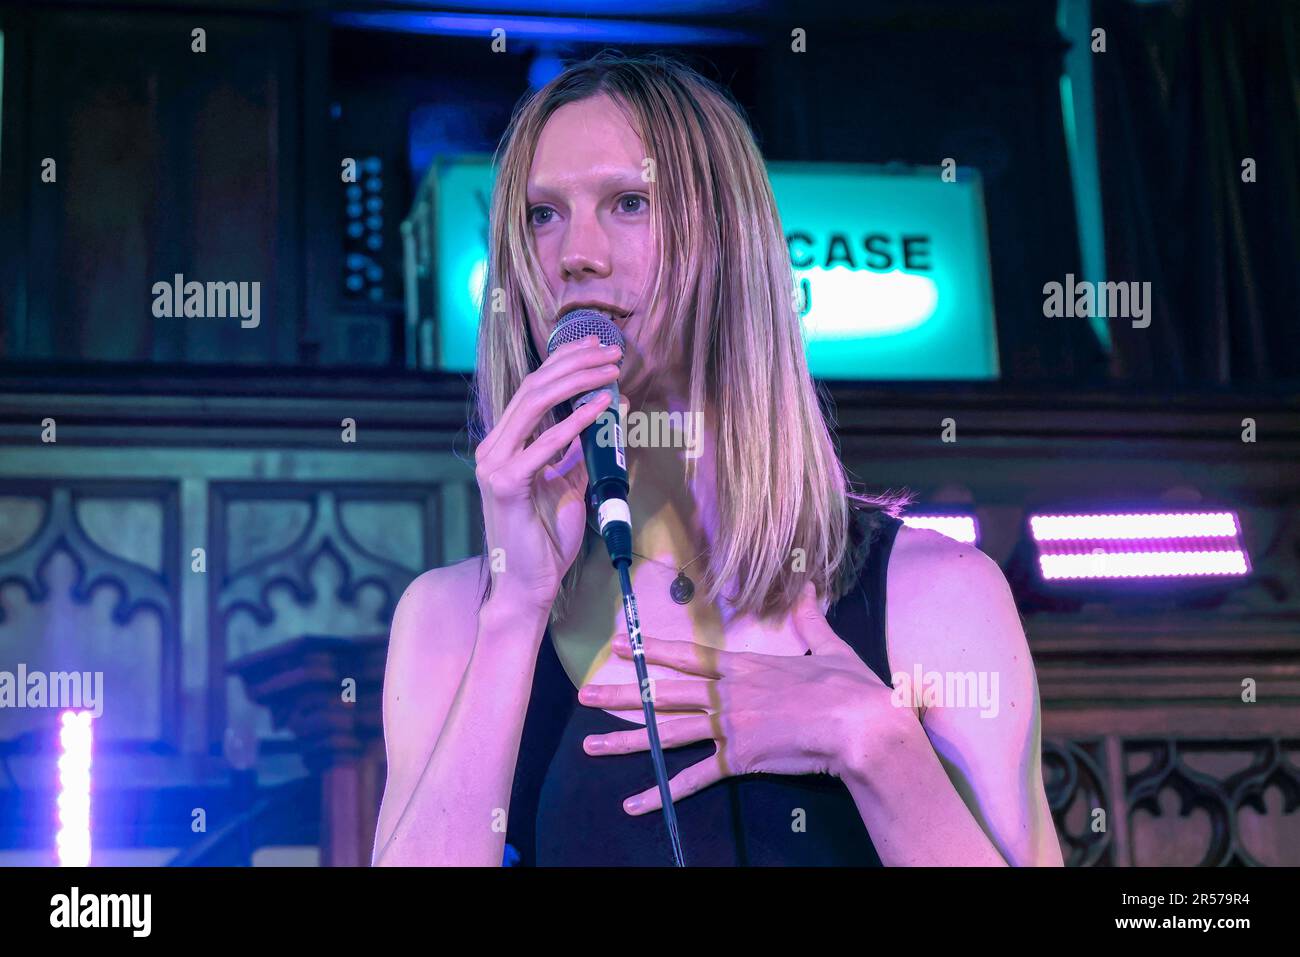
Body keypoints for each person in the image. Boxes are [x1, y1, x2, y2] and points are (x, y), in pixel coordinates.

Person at [372, 52, 1062, 867]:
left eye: (629, 203)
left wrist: (876, 743)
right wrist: (516, 606)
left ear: (732, 245)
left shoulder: (934, 594)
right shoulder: (451, 619)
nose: (575, 254)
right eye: (541, 215)